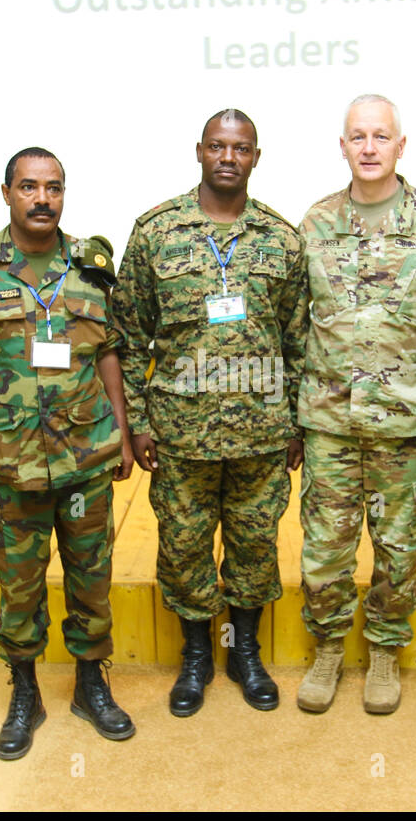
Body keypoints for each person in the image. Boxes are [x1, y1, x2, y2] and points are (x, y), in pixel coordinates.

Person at [0, 146, 136, 760]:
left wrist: (122, 433)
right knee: (18, 586)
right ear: (6, 194)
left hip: (84, 459)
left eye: (53, 187)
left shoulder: (92, 267)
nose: (42, 198)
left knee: (91, 579)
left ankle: (88, 685)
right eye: (29, 186)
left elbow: (108, 355)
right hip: (7, 462)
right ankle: (25, 691)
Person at [111, 109, 306, 716]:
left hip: (262, 432)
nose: (228, 157)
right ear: (199, 151)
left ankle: (244, 652)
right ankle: (196, 657)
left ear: (256, 156)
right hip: (180, 433)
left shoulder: (281, 238)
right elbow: (125, 334)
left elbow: (300, 340)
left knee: (254, 543)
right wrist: (138, 421)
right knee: (184, 545)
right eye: (218, 147)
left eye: (240, 148)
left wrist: (297, 419)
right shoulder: (156, 233)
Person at [295, 94, 416, 715]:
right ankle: (326, 647)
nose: (369, 148)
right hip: (330, 421)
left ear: (401, 146)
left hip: (408, 422)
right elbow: (295, 324)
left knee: (400, 547)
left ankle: (383, 651)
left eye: (381, 136)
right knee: (325, 548)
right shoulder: (315, 223)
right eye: (357, 137)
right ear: (342, 146)